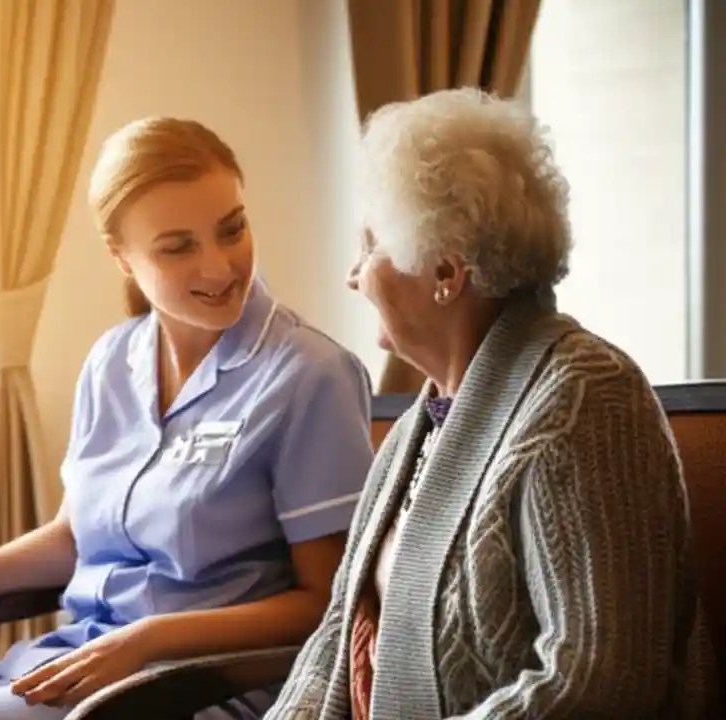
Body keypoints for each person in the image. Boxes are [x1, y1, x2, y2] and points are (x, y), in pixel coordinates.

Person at [0, 117, 375, 719]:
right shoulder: (112, 361)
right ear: (122, 257)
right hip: (80, 663)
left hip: (202, 689)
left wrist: (148, 640)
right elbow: (77, 534)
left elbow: (332, 602)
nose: (219, 267)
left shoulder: (310, 376)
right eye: (178, 246)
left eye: (231, 229)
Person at [265, 88, 717, 720]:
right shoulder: (418, 427)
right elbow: (338, 634)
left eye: (370, 247)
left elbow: (600, 680)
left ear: (446, 273)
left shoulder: (588, 397)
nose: (353, 275)